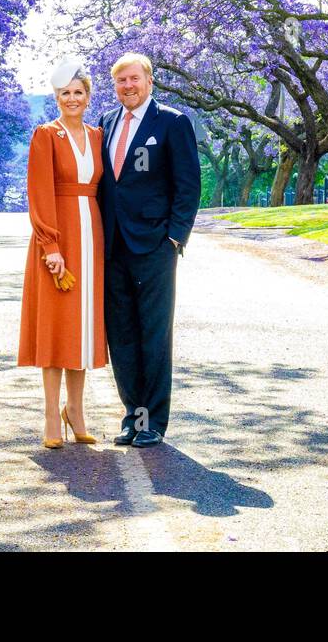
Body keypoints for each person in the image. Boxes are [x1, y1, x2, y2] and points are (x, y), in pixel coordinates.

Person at [97, 52, 200, 447]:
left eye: (134, 79)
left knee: (153, 334)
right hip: (112, 246)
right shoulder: (106, 123)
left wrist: (175, 238)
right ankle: (133, 418)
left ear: (149, 81)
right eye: (121, 81)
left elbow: (188, 185)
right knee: (121, 335)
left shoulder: (172, 122)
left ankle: (153, 421)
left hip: (155, 247)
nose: (128, 86)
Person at [17, 59, 107, 448]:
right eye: (65, 93)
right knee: (56, 327)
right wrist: (50, 246)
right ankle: (52, 414)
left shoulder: (98, 135)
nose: (72, 99)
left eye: (79, 92)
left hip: (93, 239)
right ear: (56, 97)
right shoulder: (45, 135)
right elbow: (39, 192)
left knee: (83, 328)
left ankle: (77, 410)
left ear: (88, 96)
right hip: (59, 240)